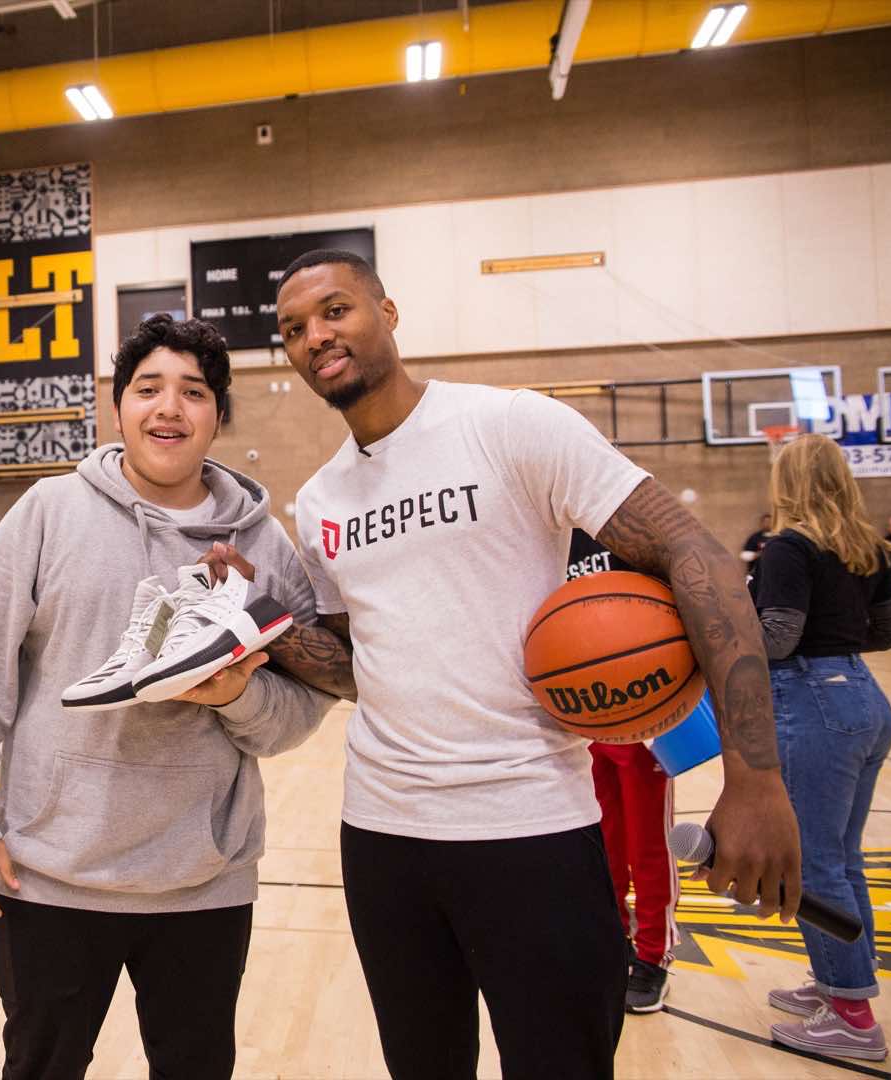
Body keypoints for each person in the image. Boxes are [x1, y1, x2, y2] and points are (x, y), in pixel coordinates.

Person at [258, 248, 799, 1077]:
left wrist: (755, 777)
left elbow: (696, 551)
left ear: (388, 312)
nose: (316, 337)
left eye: (336, 310)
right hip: (380, 837)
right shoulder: (326, 497)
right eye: (294, 330)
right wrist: (258, 623)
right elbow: (356, 668)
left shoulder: (509, 425)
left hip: (532, 826)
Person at [0, 312, 331, 1079]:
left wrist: (233, 697)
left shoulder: (264, 547)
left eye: (193, 392)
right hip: (48, 874)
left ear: (218, 417)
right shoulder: (49, 512)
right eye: (148, 389)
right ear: (118, 408)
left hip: (204, 881)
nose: (169, 408)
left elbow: (298, 714)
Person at [755, 435, 891, 1060]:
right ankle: (841, 981)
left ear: (785, 482)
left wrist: (727, 636)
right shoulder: (870, 547)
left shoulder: (788, 547)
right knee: (841, 857)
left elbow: (779, 639)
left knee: (815, 862)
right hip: (866, 699)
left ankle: (852, 1016)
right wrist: (838, 649)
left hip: (815, 699)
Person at [567, 530, 680, 1014]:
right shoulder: (557, 536)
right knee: (603, 840)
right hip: (587, 713)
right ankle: (617, 940)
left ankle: (654, 954)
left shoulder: (629, 526)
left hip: (644, 711)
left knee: (649, 845)